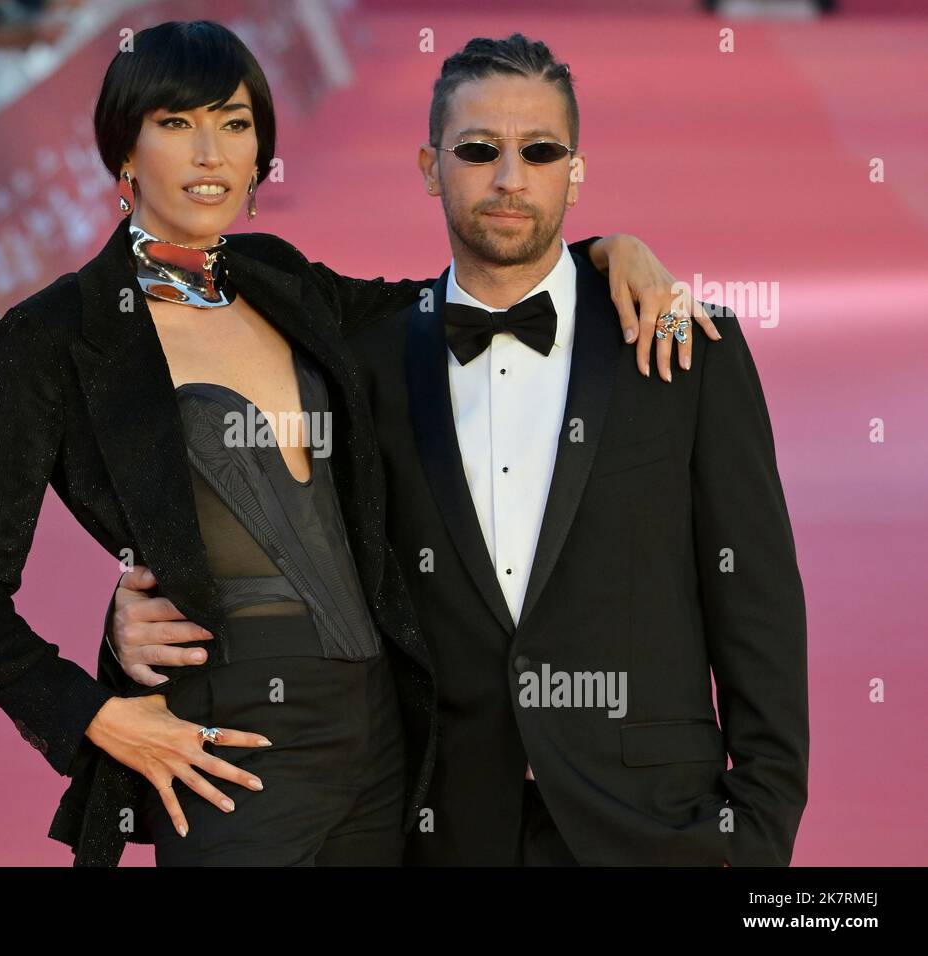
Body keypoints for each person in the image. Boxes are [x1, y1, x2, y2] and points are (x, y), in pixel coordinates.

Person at [0, 21, 711, 867]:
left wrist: (605, 253)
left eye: (234, 123)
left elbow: (446, 303)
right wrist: (98, 717)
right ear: (124, 151)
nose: (211, 154)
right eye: (176, 125)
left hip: (382, 738)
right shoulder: (55, 335)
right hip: (230, 754)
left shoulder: (279, 278)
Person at [114, 33, 809, 867]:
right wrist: (126, 627)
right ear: (428, 165)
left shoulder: (681, 347)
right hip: (438, 826)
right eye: (479, 150)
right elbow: (284, 545)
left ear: (575, 170)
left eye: (540, 152)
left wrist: (759, 828)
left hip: (653, 825)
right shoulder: (362, 359)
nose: (511, 178)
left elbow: (758, 602)